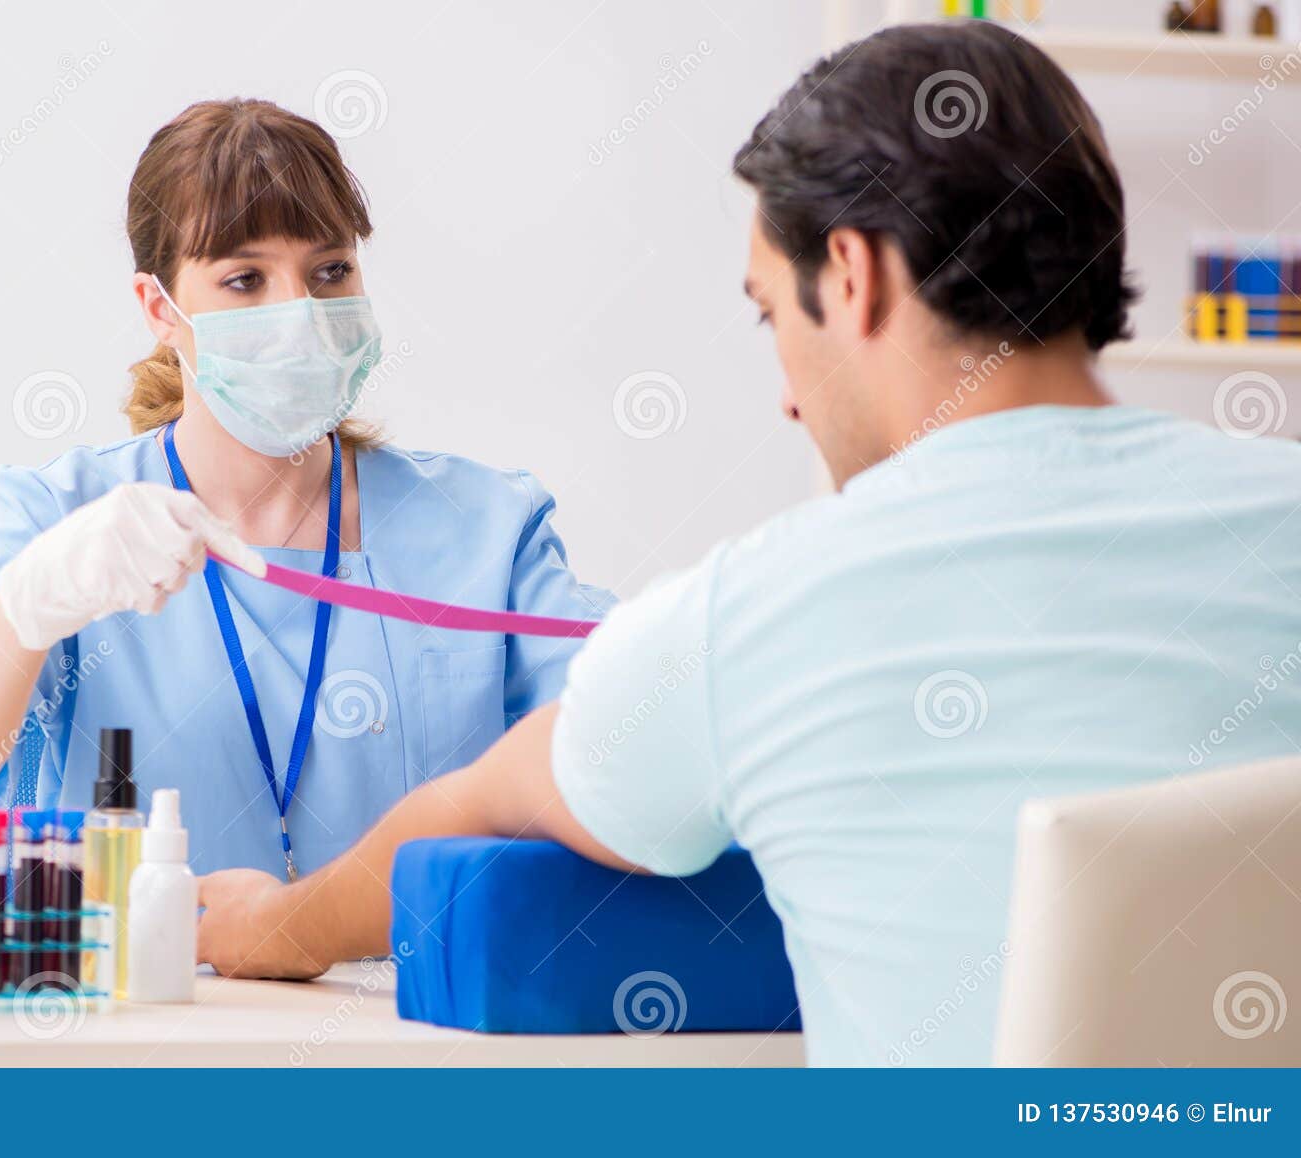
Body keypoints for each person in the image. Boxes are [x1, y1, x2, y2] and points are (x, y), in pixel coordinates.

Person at [194, 22, 1301, 1065]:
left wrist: (270, 926)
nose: (784, 398)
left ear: (854, 277)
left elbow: (476, 803)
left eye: (774, 315)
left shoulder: (751, 615)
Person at [0, 99, 609, 880]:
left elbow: (616, 748)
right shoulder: (63, 515)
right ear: (158, 308)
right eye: (244, 279)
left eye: (330, 270)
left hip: (405, 1001)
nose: (300, 313)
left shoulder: (487, 528)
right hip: (150, 996)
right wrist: (28, 606)